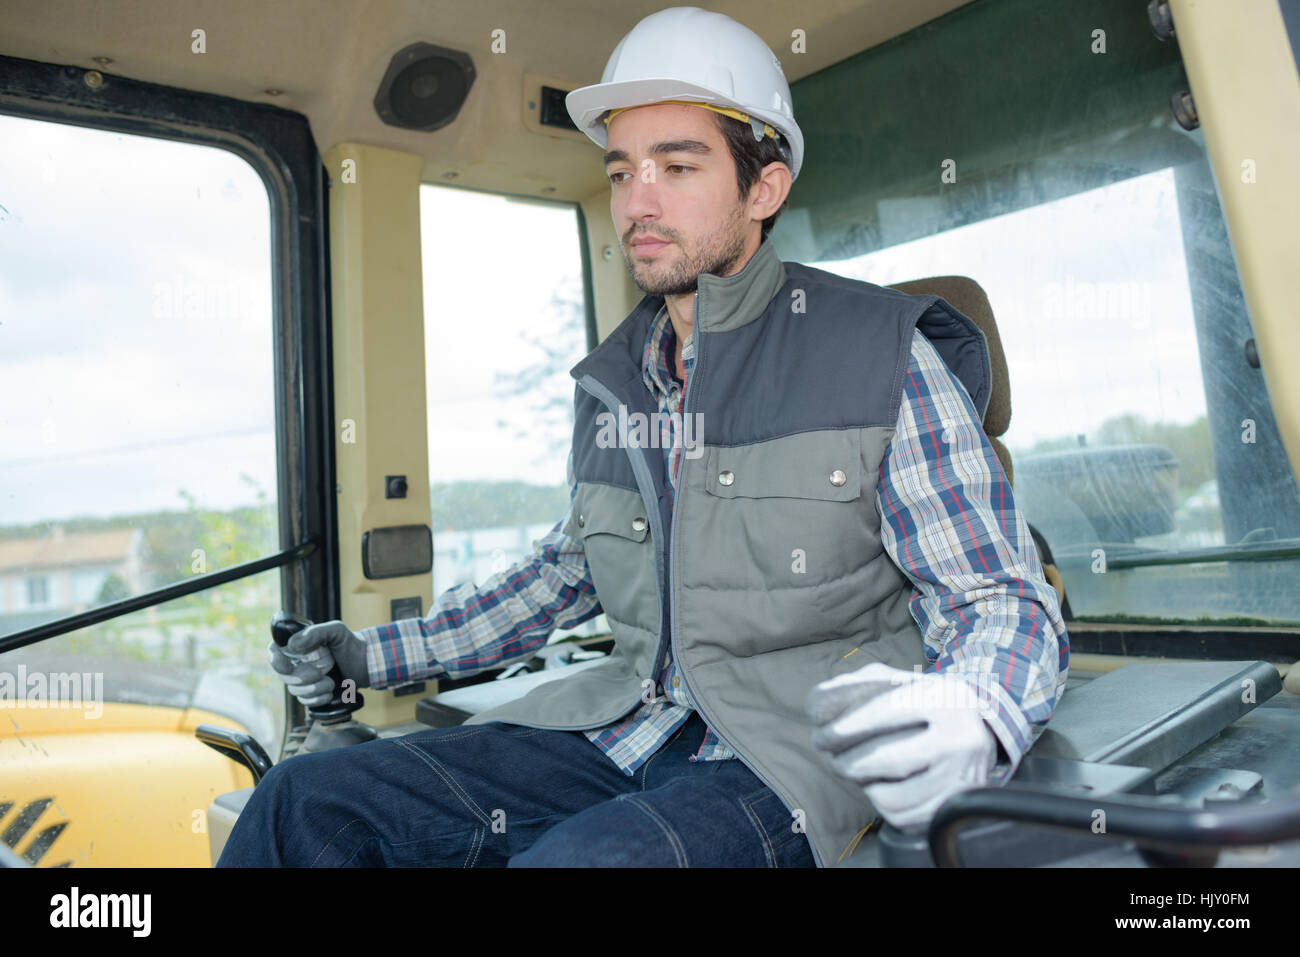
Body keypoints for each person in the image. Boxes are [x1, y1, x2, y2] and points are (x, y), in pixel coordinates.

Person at [218, 5, 1068, 868]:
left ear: (763, 188)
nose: (638, 200)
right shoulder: (614, 382)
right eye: (622, 171)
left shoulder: (880, 354)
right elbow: (563, 573)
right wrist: (369, 652)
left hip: (786, 756)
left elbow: (1000, 597)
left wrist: (979, 706)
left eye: (678, 164)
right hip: (619, 728)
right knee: (302, 803)